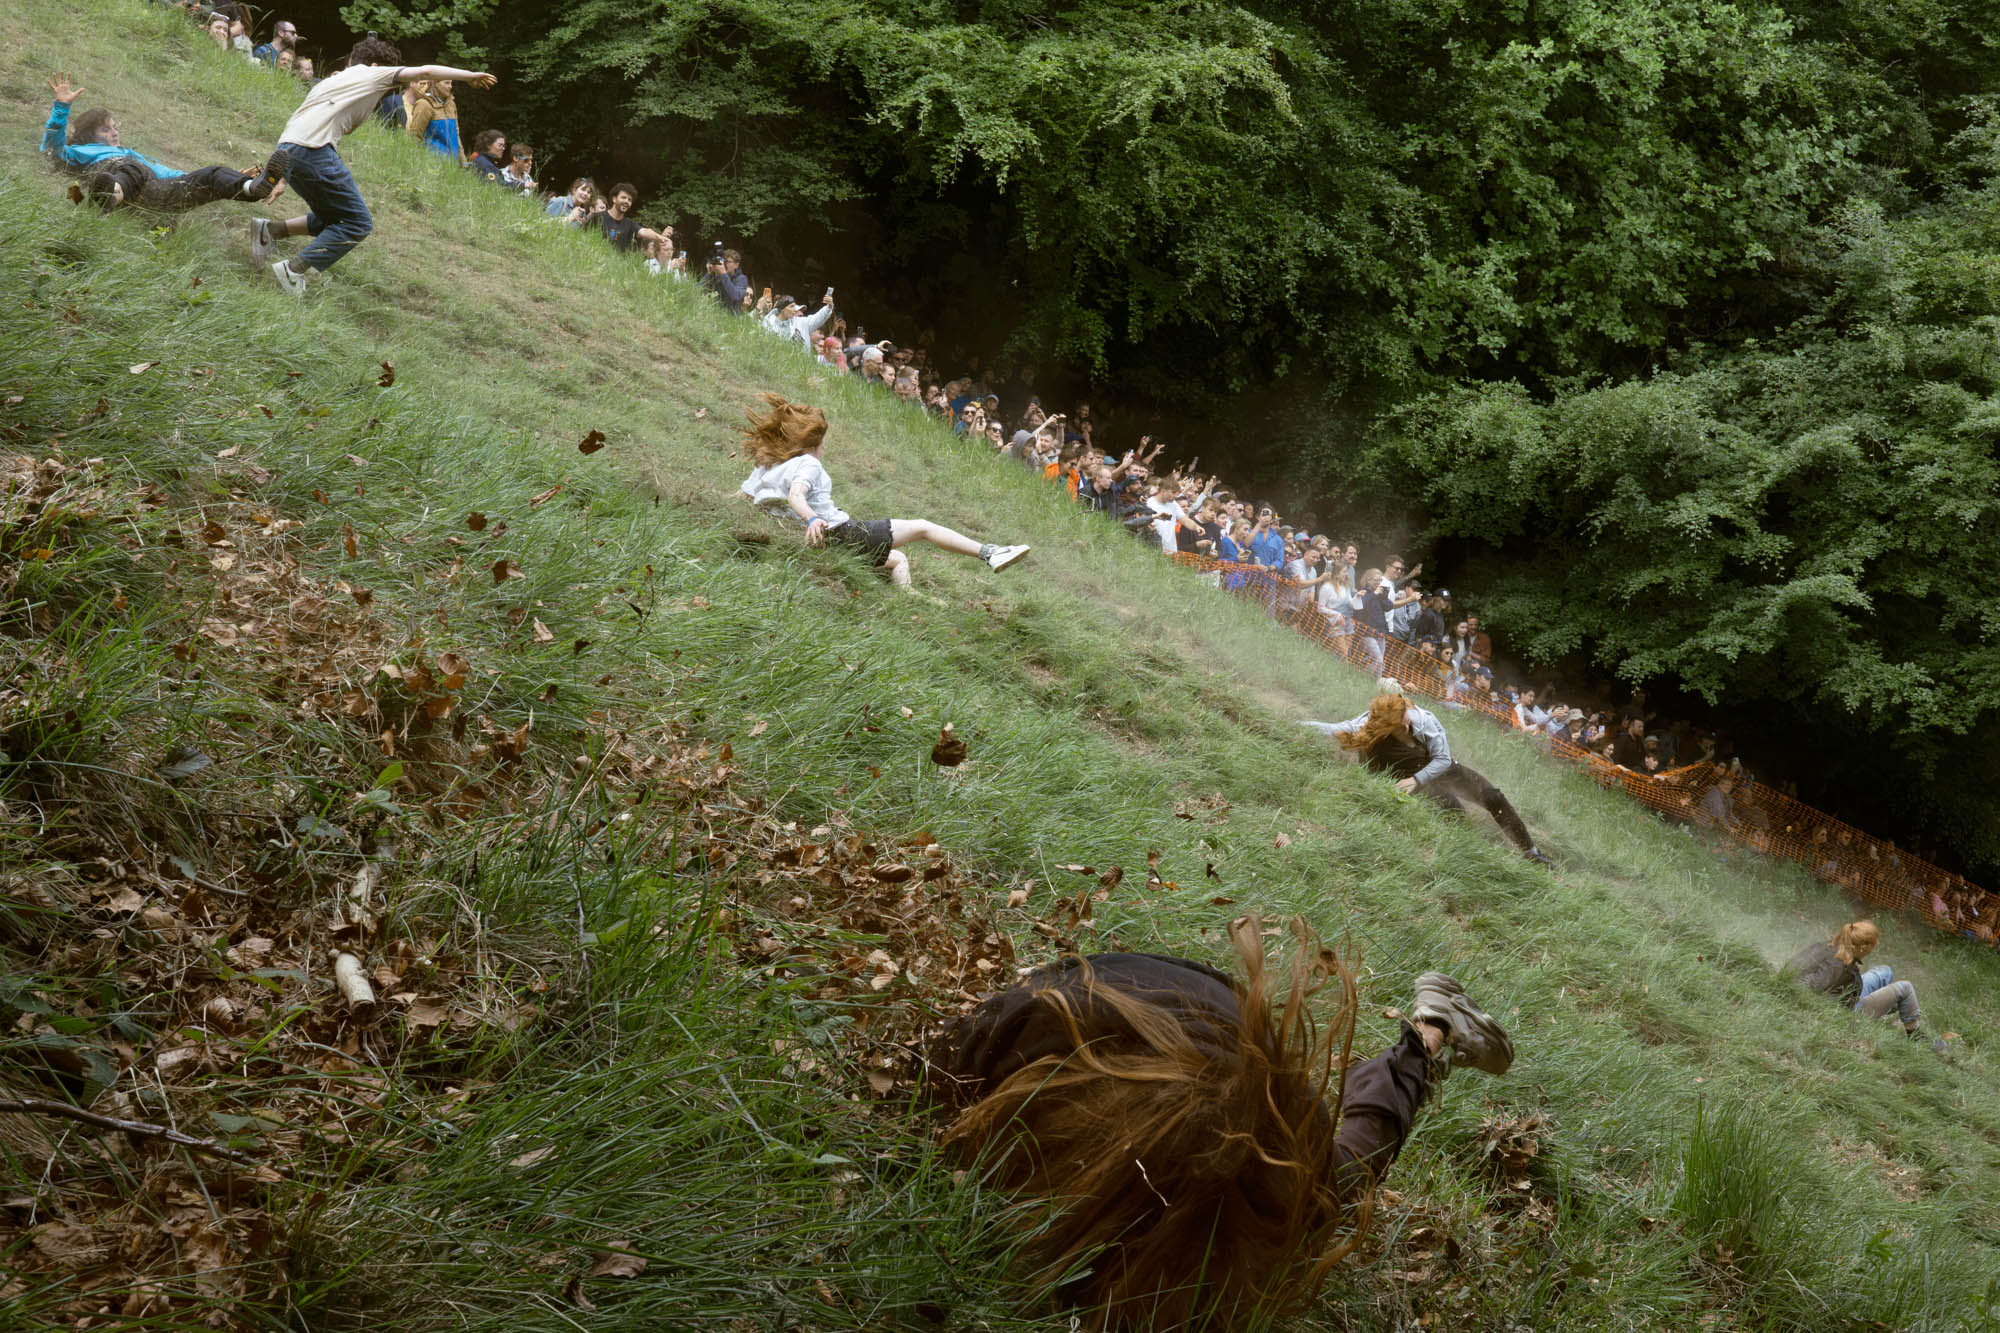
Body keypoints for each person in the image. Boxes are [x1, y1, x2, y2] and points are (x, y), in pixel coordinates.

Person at [929, 915, 1514, 1329]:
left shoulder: (1282, 1155)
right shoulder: (1035, 1045)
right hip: (1126, 989)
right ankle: (1431, 1036)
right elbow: (956, 1061)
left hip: (1226, 1038)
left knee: (1333, 1184)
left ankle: (1432, 1032)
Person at [250, 39, 498, 296]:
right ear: (377, 66)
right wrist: (470, 76)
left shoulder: (331, 83)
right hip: (313, 152)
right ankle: (293, 270)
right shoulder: (371, 73)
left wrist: (284, 176)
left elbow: (303, 126)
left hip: (290, 149)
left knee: (337, 215)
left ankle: (269, 230)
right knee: (358, 222)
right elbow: (425, 71)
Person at [736, 394, 1028, 587]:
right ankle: (990, 553)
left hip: (822, 543)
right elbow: (796, 495)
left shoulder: (767, 465)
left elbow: (742, 499)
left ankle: (906, 598)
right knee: (923, 527)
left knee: (898, 558)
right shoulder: (809, 464)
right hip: (841, 533)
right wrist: (812, 519)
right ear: (813, 444)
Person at [1301, 680, 1555, 866]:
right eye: (1401, 721)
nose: (1407, 721)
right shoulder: (1372, 723)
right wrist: (1294, 722)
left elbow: (1443, 759)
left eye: (1406, 715)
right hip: (1397, 769)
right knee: (1453, 813)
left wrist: (1417, 780)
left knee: (1492, 796)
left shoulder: (1425, 720)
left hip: (1435, 767)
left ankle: (1531, 853)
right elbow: (1336, 729)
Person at [39, 70, 286, 211]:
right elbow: (53, 148)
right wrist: (61, 108)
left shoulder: (137, 157)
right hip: (122, 180)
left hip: (158, 193)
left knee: (211, 174)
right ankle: (110, 196)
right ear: (88, 134)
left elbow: (179, 176)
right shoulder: (84, 152)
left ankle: (250, 188)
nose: (114, 133)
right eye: (105, 130)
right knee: (129, 166)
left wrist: (229, 180)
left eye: (114, 128)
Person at [1782, 921, 1946, 1052]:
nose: (1872, 951)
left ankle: (1893, 1005)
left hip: (1845, 994)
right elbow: (1814, 987)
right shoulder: (1840, 969)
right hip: (1849, 1010)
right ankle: (1915, 1036)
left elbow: (1797, 968)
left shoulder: (1830, 945)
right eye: (1872, 947)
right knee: (1906, 987)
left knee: (1885, 971)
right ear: (1863, 947)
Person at [597, 182, 665, 253]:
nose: (626, 201)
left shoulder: (630, 224)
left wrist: (659, 237)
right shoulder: (597, 217)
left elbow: (644, 231)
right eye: (623, 197)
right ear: (614, 199)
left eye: (629, 200)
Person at [402, 77, 460, 159]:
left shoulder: (451, 104)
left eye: (451, 83)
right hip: (432, 163)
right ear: (435, 84)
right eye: (446, 83)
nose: (450, 86)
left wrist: (463, 162)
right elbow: (415, 137)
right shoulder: (424, 104)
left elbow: (456, 135)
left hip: (452, 164)